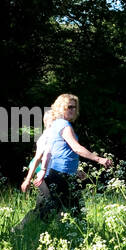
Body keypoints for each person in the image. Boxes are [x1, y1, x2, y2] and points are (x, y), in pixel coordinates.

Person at [16, 93, 112, 229]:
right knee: (46, 210)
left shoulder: (56, 125)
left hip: (64, 173)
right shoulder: (63, 125)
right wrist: (99, 159)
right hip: (59, 175)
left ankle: (79, 234)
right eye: (69, 107)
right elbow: (76, 148)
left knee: (75, 208)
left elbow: (57, 152)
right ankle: (19, 230)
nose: (73, 110)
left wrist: (75, 170)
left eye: (75, 107)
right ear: (61, 108)